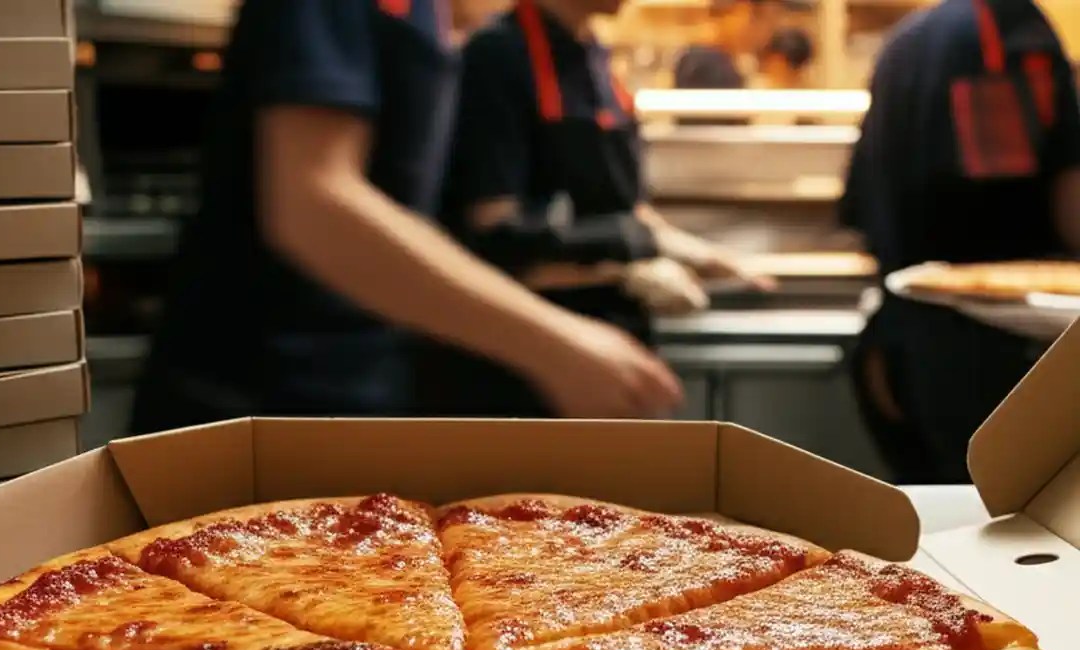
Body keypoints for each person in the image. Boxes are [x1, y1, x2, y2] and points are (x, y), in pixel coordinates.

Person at [130, 0, 684, 433]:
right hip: (254, 406)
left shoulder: (441, 19)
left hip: (360, 397)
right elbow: (314, 201)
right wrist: (555, 347)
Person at [416, 0, 771, 416]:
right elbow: (496, 240)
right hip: (528, 373)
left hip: (611, 354)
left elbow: (626, 207)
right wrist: (625, 271)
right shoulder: (496, 56)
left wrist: (704, 255)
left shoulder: (593, 56)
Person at [842, 0, 1080, 484]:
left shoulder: (906, 40)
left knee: (936, 521)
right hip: (991, 363)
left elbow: (857, 206)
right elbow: (1032, 198)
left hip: (893, 345)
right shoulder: (1007, 32)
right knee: (1005, 522)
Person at [674, 0, 809, 89]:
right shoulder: (706, 65)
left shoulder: (724, 62)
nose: (769, 32)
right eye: (767, 19)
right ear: (743, 11)